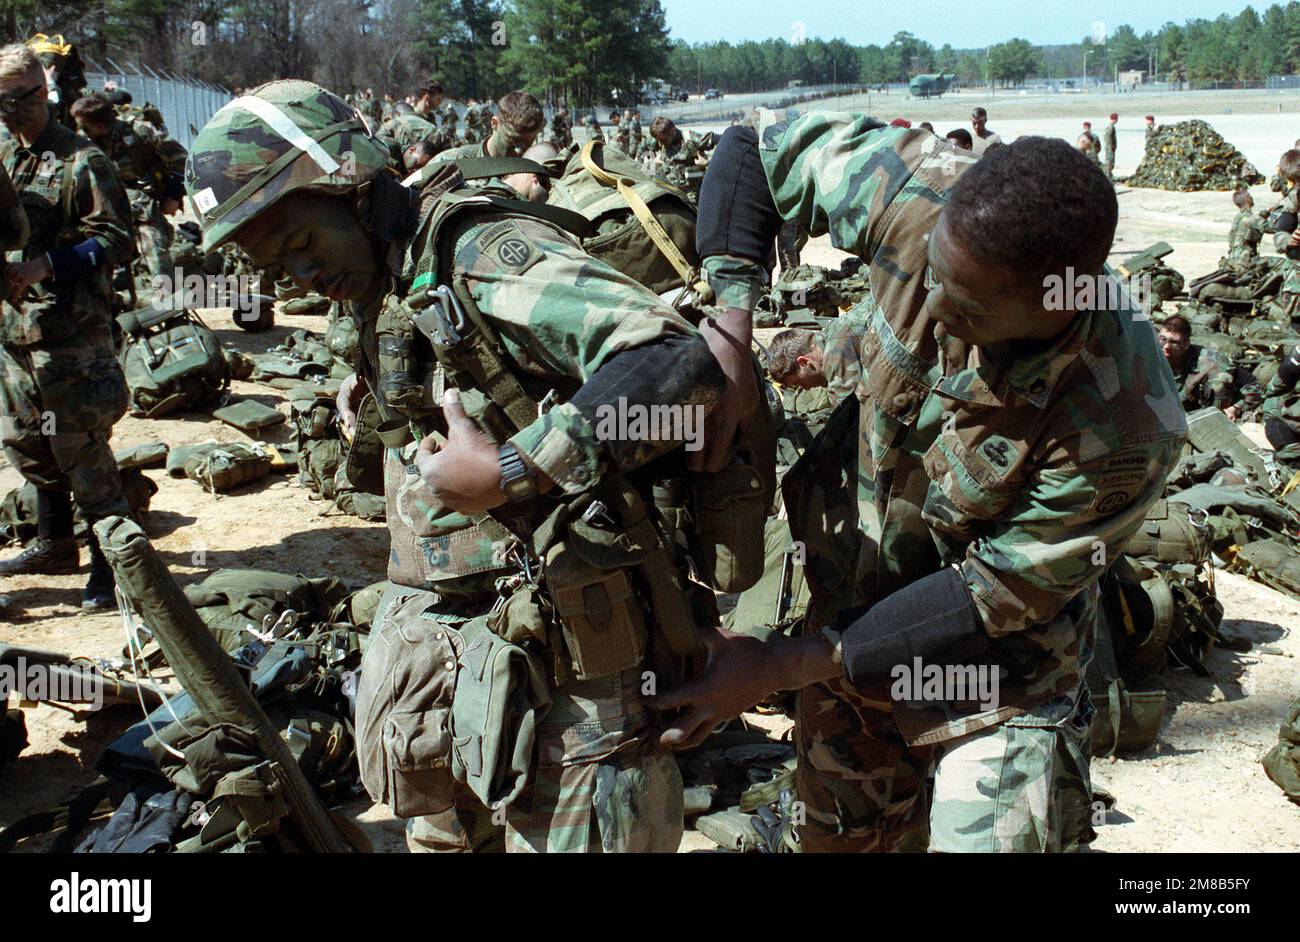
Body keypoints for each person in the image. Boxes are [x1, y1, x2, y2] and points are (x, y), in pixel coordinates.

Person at [183, 78, 738, 853]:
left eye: (303, 246)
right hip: (457, 656)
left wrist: (515, 469)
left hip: (577, 664)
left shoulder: (476, 249)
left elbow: (677, 361)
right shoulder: (387, 272)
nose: (303, 278)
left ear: (346, 182)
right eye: (279, 268)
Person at [658, 112, 1187, 852]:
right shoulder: (920, 188)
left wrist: (776, 666)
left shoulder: (1123, 417)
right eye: (933, 274)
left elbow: (988, 595)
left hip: (995, 675)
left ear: (1056, 301)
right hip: (853, 627)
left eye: (967, 307)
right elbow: (751, 148)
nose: (933, 310)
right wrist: (733, 336)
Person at [0, 44, 134, 608]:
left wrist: (45, 266)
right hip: (14, 333)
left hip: (70, 338)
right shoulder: (6, 156)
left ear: (42, 93)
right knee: (28, 443)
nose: (8, 111)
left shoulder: (83, 160)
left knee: (81, 449)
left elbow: (117, 240)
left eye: (16, 100)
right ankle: (55, 543)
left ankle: (115, 563)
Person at [69, 93, 187, 278]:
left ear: (100, 125)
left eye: (85, 126)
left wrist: (173, 195)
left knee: (156, 251)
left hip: (140, 201)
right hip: (104, 202)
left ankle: (169, 300)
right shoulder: (84, 139)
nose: (80, 130)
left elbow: (182, 160)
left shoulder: (139, 131)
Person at [1157, 314, 1242, 418]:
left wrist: (1235, 407)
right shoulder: (1145, 354)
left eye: (1174, 342)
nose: (1166, 346)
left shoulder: (1210, 361)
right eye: (1162, 339)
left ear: (1186, 344)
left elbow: (1251, 384)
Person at [432, 90, 544, 164]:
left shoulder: (533, 175)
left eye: (528, 143)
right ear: (495, 124)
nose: (519, 150)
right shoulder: (450, 163)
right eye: (513, 140)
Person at [1102, 113, 1118, 180]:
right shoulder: (1110, 127)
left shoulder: (1111, 127)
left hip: (1111, 148)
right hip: (1109, 148)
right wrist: (1110, 147)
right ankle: (1108, 178)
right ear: (1115, 119)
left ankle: (1109, 176)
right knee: (1109, 163)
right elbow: (1107, 138)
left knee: (1111, 163)